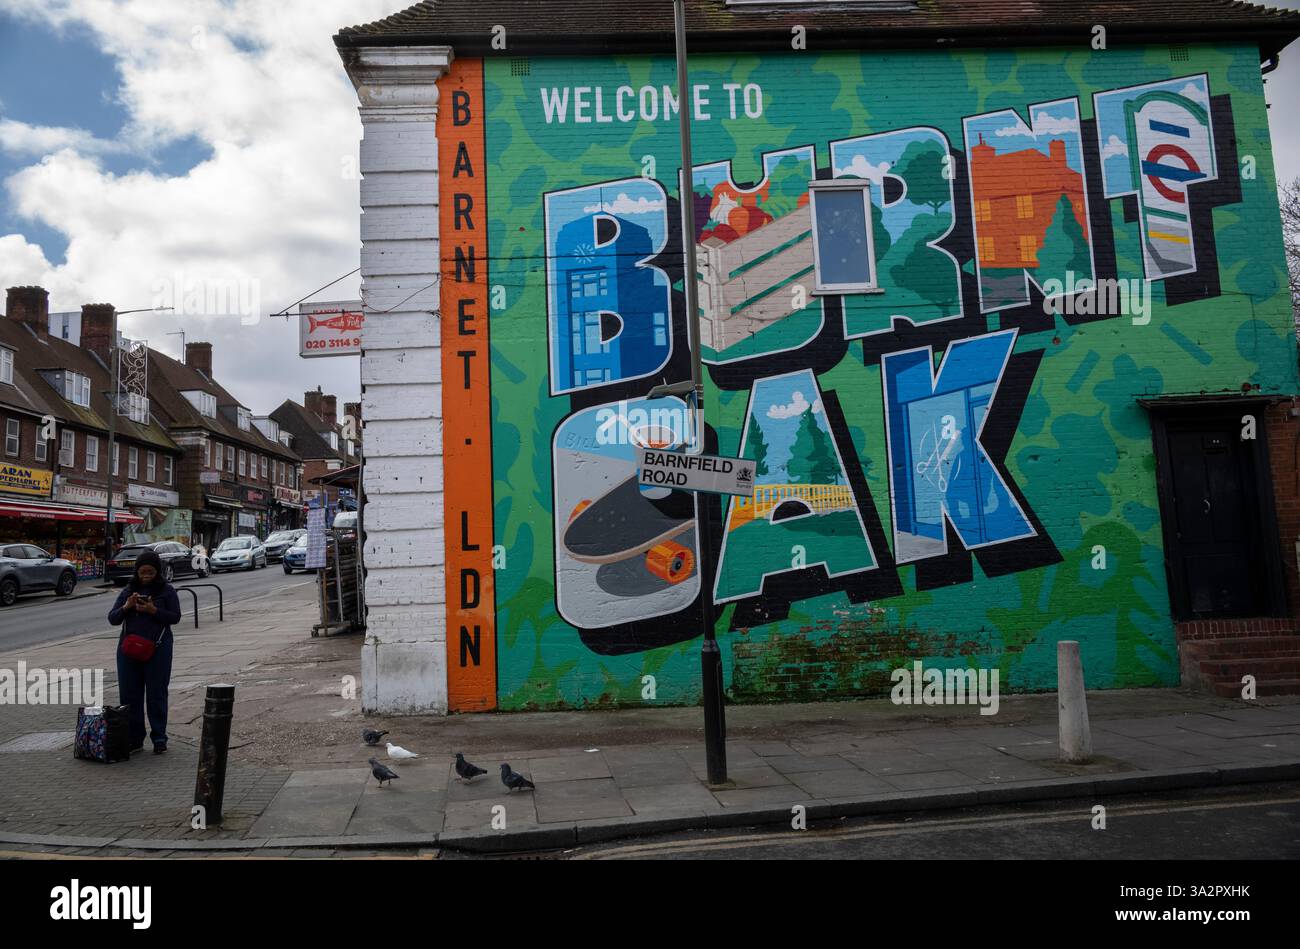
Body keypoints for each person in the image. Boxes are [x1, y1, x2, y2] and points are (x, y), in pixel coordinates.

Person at [109, 548, 182, 754]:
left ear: (157, 571)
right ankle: (135, 739)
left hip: (158, 649)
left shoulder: (166, 590)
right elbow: (113, 618)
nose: (146, 576)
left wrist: (153, 610)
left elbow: (175, 617)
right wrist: (126, 606)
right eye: (142, 572)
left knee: (156, 694)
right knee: (129, 695)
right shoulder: (128, 590)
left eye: (150, 572)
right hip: (129, 650)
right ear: (137, 572)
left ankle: (159, 738)